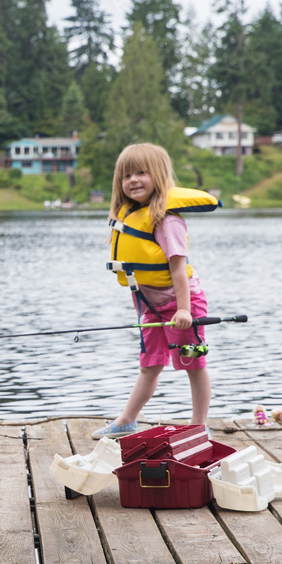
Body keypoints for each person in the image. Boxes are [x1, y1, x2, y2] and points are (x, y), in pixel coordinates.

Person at [92, 143, 220, 439]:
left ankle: (199, 425)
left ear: (159, 176)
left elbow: (178, 269)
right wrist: (144, 311)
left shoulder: (167, 221)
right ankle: (126, 420)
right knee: (149, 365)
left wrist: (184, 310)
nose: (133, 180)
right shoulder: (129, 218)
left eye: (141, 172)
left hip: (182, 303)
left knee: (193, 363)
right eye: (126, 175)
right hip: (150, 307)